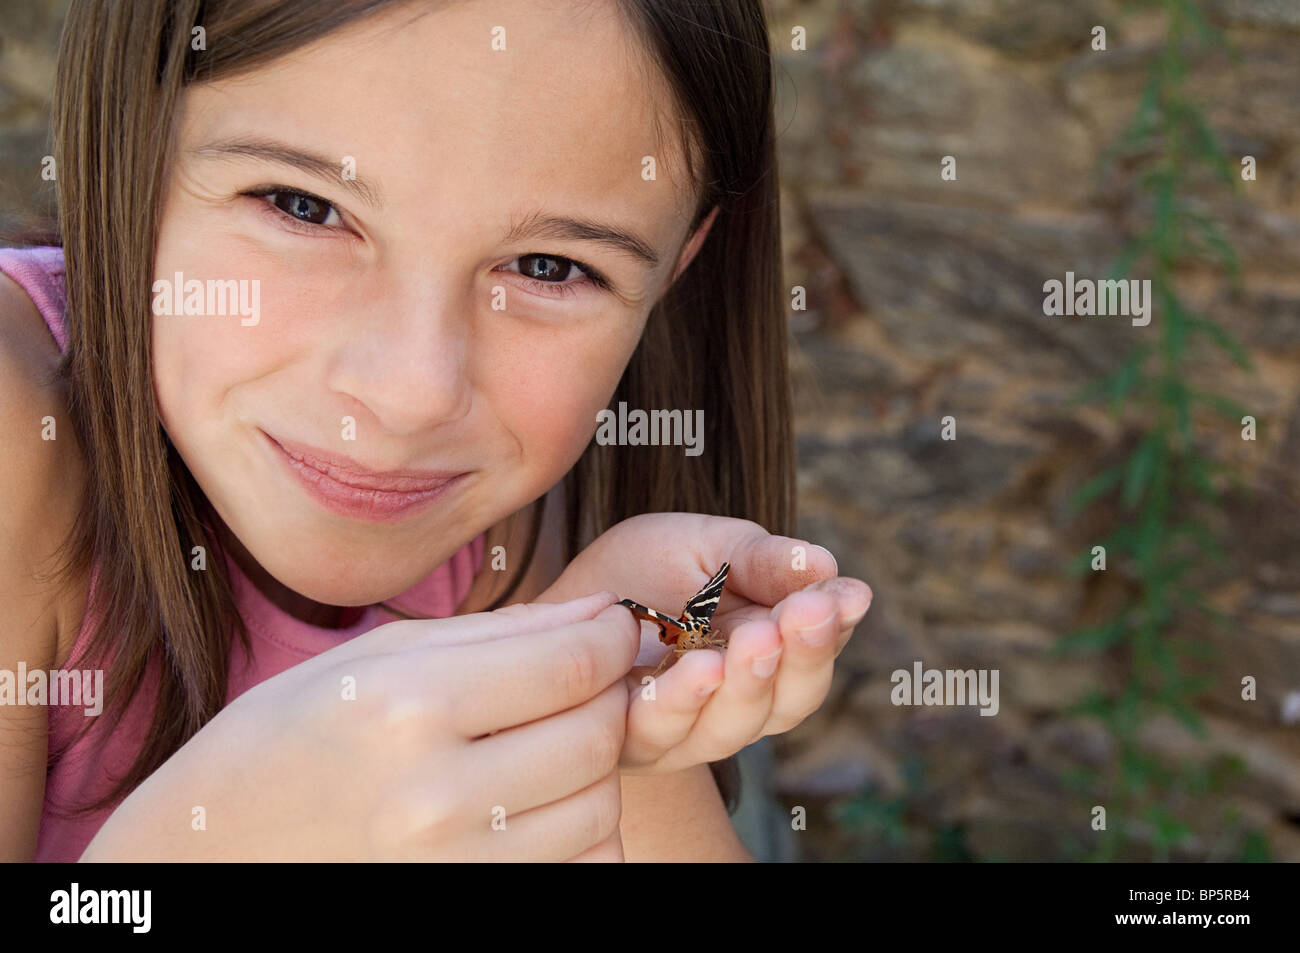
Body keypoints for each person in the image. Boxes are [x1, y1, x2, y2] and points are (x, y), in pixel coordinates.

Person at [0, 0, 871, 862]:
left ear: (673, 267)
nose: (413, 393)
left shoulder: (495, 529)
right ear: (126, 142)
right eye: (302, 206)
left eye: (548, 268)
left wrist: (598, 702)